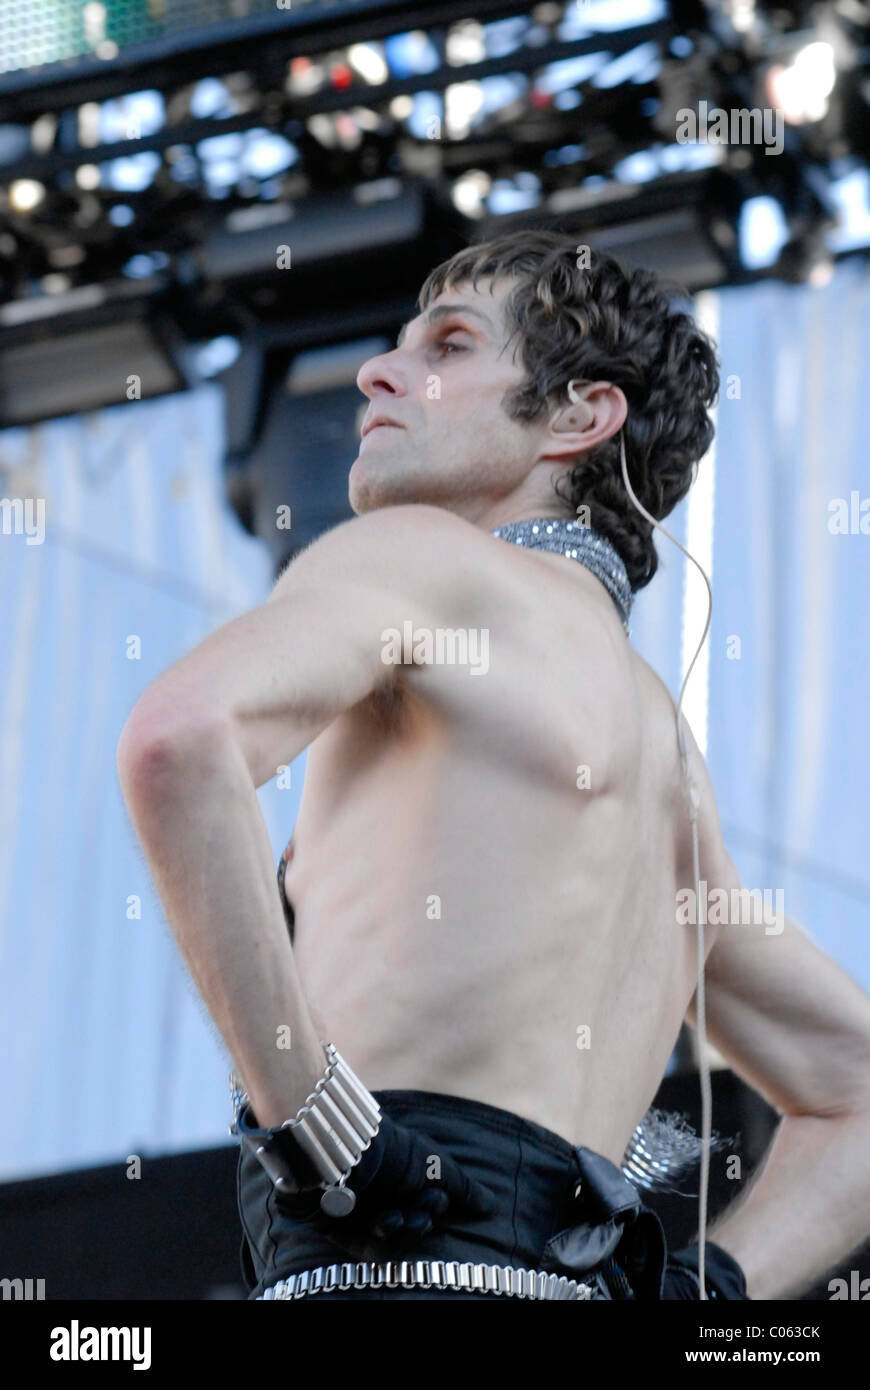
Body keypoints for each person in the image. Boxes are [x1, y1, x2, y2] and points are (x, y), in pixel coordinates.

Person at [117, 230, 870, 1302]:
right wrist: (707, 1291)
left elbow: (178, 740)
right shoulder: (670, 767)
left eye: (451, 344)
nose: (380, 371)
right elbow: (859, 1091)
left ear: (579, 415)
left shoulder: (423, 563)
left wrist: (312, 1118)